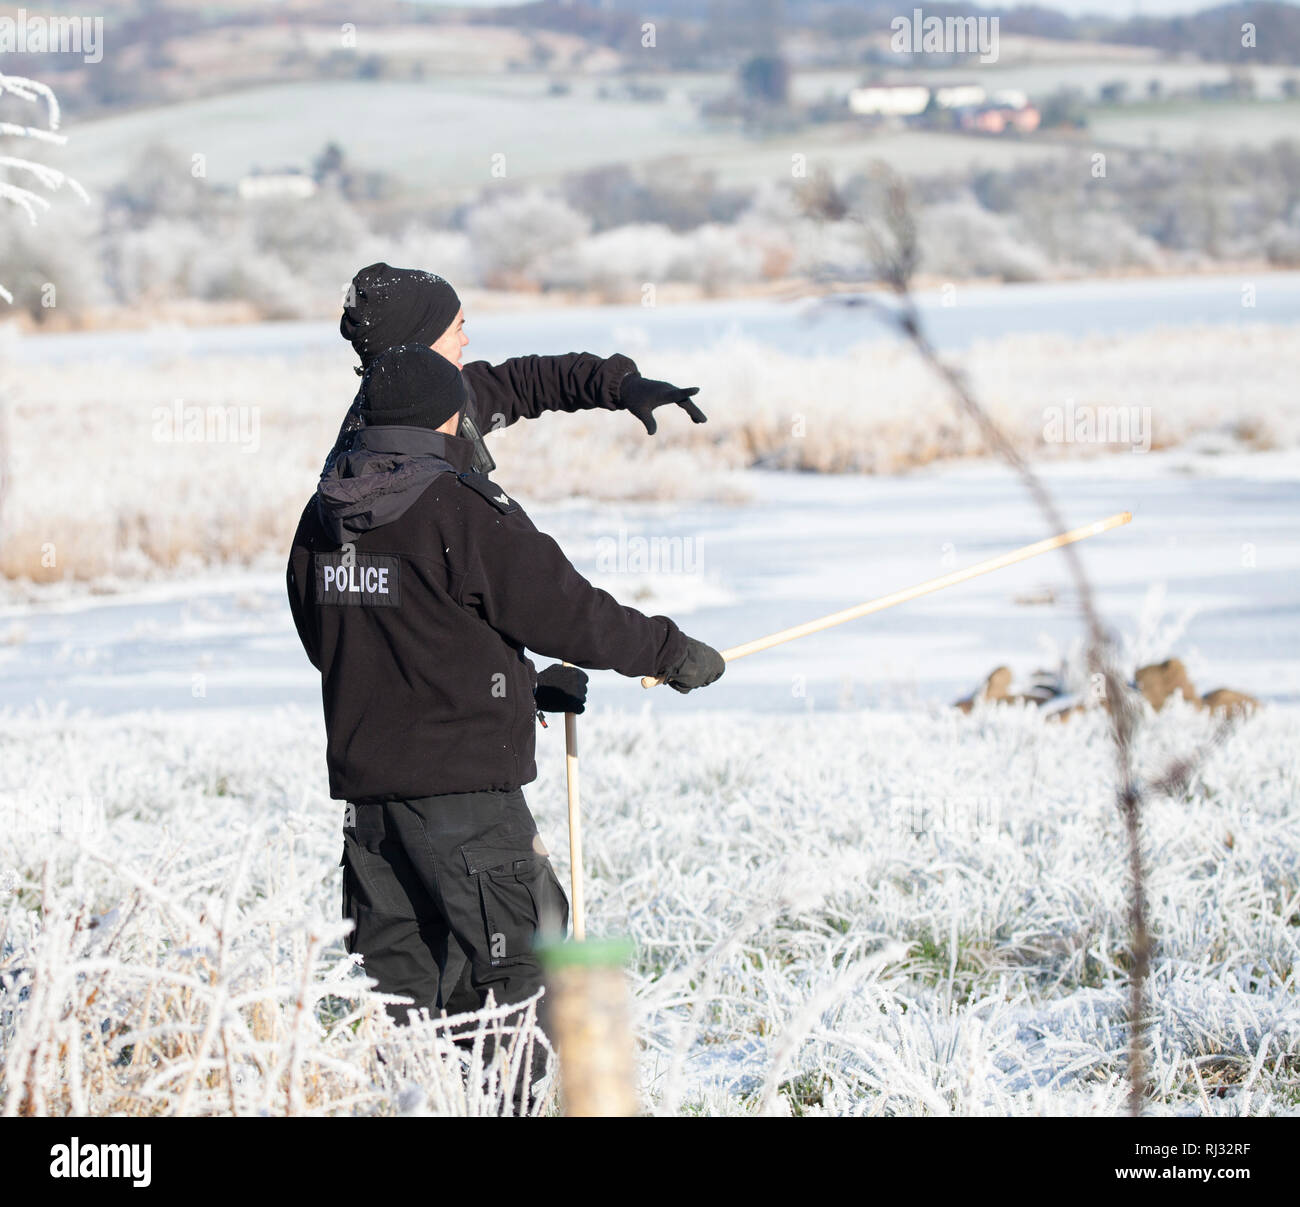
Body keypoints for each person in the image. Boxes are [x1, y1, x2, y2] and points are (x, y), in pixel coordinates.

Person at [286, 341, 725, 1105]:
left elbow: (348, 640)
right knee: (523, 993)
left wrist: (512, 685)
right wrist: (671, 649)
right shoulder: (459, 507)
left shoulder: (324, 513)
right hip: (471, 811)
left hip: (371, 815)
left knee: (406, 1012)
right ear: (447, 418)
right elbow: (570, 611)